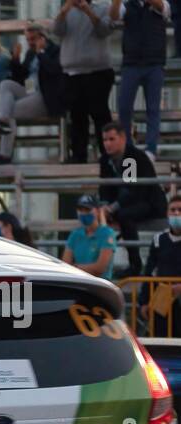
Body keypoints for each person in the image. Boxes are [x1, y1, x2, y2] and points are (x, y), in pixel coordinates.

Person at [99, 121, 168, 275]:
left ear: (123, 138)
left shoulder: (131, 157)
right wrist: (104, 205)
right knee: (98, 216)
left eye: (111, 139)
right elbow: (104, 187)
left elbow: (130, 190)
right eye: (105, 140)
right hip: (126, 203)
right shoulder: (105, 160)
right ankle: (99, 266)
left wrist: (111, 208)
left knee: (124, 216)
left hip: (148, 202)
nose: (107, 144)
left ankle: (135, 265)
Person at [0, 22, 65, 164]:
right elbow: (22, 77)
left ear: (43, 37)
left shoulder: (55, 51)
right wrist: (15, 60)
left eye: (33, 39)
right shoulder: (30, 53)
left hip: (45, 96)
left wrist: (41, 53)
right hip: (29, 90)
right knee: (5, 85)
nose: (30, 43)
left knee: (10, 111)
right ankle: (2, 117)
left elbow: (53, 70)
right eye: (27, 39)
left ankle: (4, 154)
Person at [53, 0, 113, 162]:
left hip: (97, 72)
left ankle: (108, 154)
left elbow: (105, 30)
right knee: (77, 117)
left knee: (100, 115)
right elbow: (57, 31)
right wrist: (64, 11)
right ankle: (79, 155)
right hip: (72, 73)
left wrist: (89, 12)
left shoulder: (103, 8)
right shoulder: (66, 11)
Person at [111, 0, 170, 158]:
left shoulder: (161, 3)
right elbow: (114, 16)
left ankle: (151, 149)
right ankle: (128, 148)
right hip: (131, 64)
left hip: (154, 64)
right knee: (124, 108)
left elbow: (162, 7)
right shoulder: (127, 6)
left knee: (153, 109)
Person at [142, 196, 181, 332]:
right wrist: (144, 301)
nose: (176, 213)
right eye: (173, 210)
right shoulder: (159, 239)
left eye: (180, 210)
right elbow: (149, 271)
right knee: (161, 337)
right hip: (162, 298)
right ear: (167, 213)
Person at [62, 194, 117, 278]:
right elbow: (65, 265)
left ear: (98, 211)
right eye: (80, 209)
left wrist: (75, 267)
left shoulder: (107, 233)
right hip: (79, 281)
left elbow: (99, 269)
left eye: (87, 209)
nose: (83, 213)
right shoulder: (75, 234)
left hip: (99, 284)